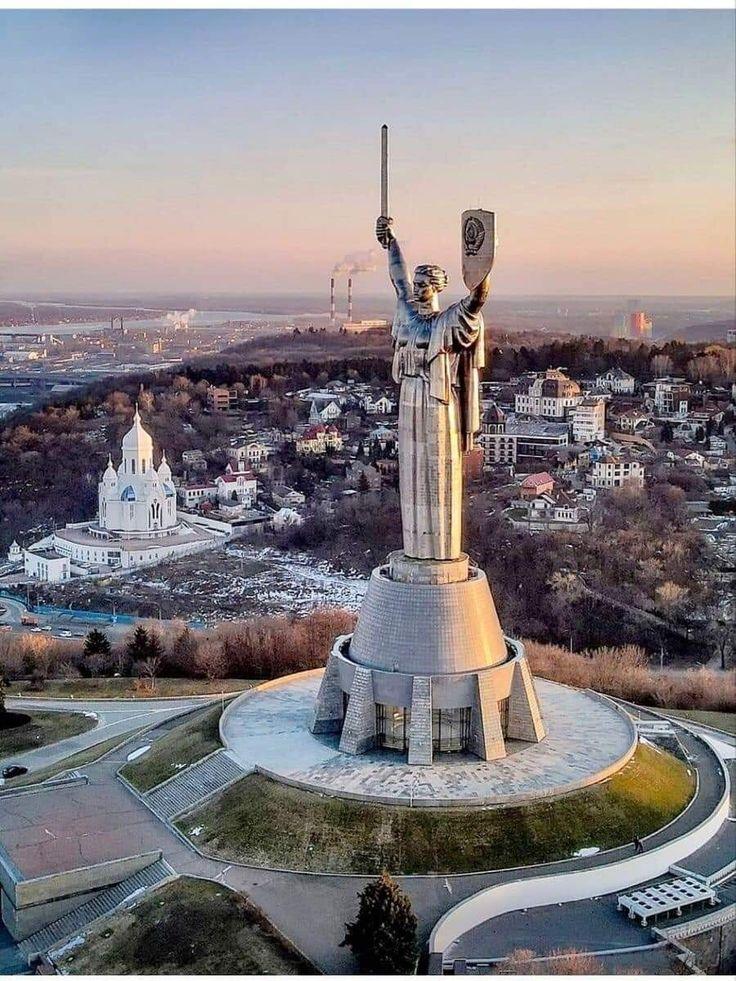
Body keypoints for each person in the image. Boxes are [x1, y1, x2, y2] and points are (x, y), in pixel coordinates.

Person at [376, 215, 492, 561]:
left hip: (436, 401)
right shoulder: (407, 314)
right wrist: (391, 240)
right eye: (416, 283)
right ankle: (415, 549)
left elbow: (477, 301)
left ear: (436, 287)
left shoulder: (449, 321)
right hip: (408, 397)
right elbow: (397, 277)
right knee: (411, 469)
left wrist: (481, 268)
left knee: (436, 470)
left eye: (423, 284)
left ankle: (439, 552)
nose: (416, 288)